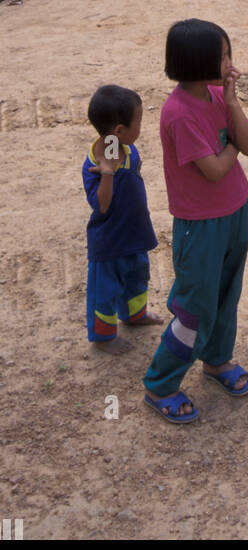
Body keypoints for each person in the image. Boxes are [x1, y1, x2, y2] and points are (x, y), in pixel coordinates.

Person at [143, 19, 248, 423]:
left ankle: (217, 360)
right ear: (198, 62)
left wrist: (232, 101)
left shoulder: (215, 95)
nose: (231, 62)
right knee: (195, 307)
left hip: (235, 211)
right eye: (224, 56)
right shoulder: (178, 113)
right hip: (200, 225)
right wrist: (235, 150)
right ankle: (160, 384)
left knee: (227, 294)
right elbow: (214, 169)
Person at [83, 85, 162, 353]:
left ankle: (135, 315)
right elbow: (102, 205)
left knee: (137, 278)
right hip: (109, 243)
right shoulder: (94, 165)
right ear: (118, 130)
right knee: (105, 291)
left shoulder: (129, 150)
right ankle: (104, 337)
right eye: (138, 120)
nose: (141, 125)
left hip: (135, 234)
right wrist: (107, 173)